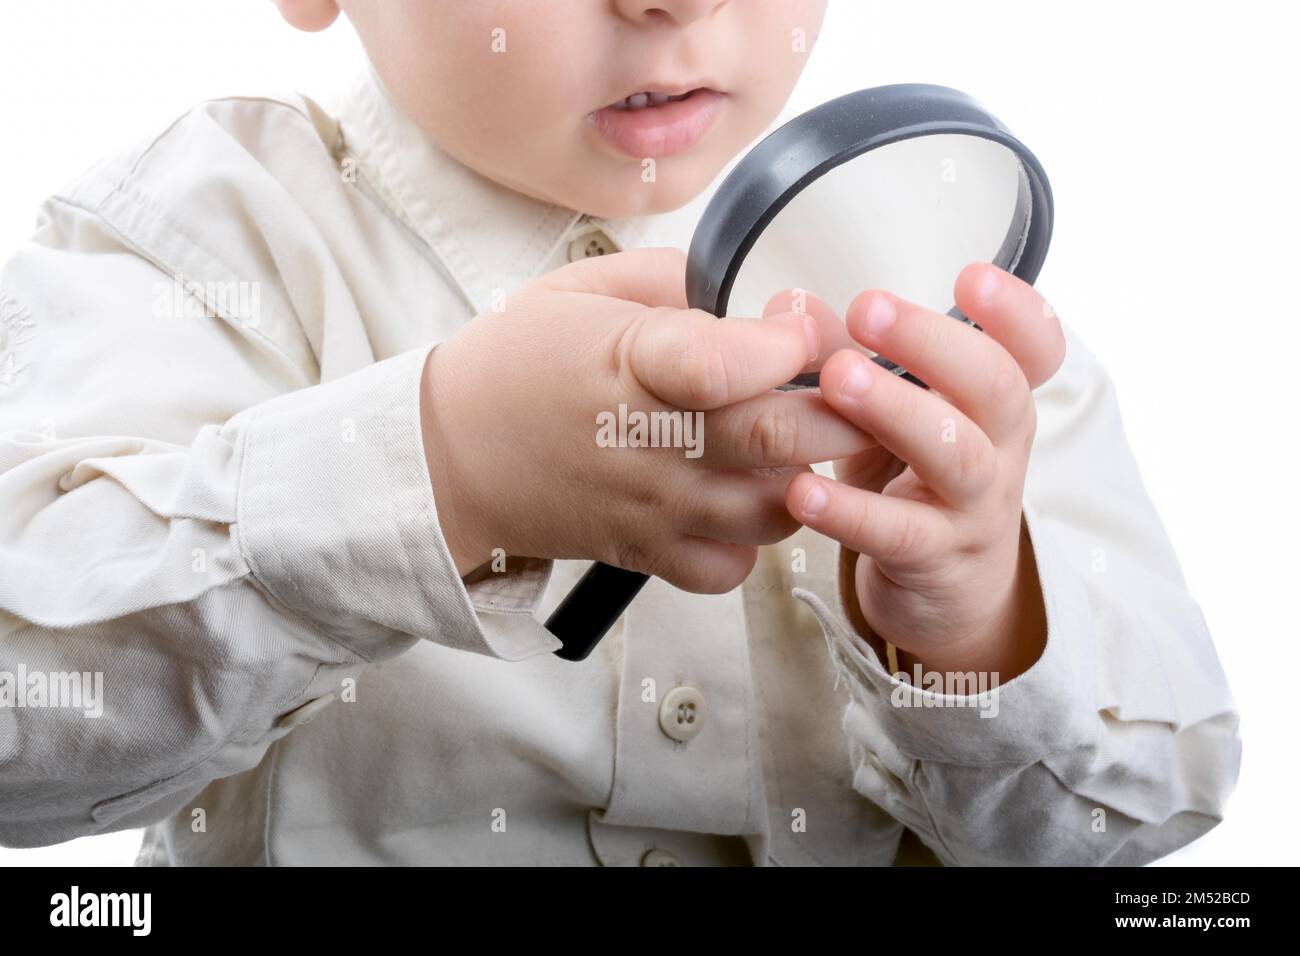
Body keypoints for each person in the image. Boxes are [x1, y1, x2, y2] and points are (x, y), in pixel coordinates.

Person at [0, 0, 1239, 866]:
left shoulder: (928, 270)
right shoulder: (206, 240)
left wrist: (974, 630)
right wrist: (441, 468)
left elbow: (1153, 818)